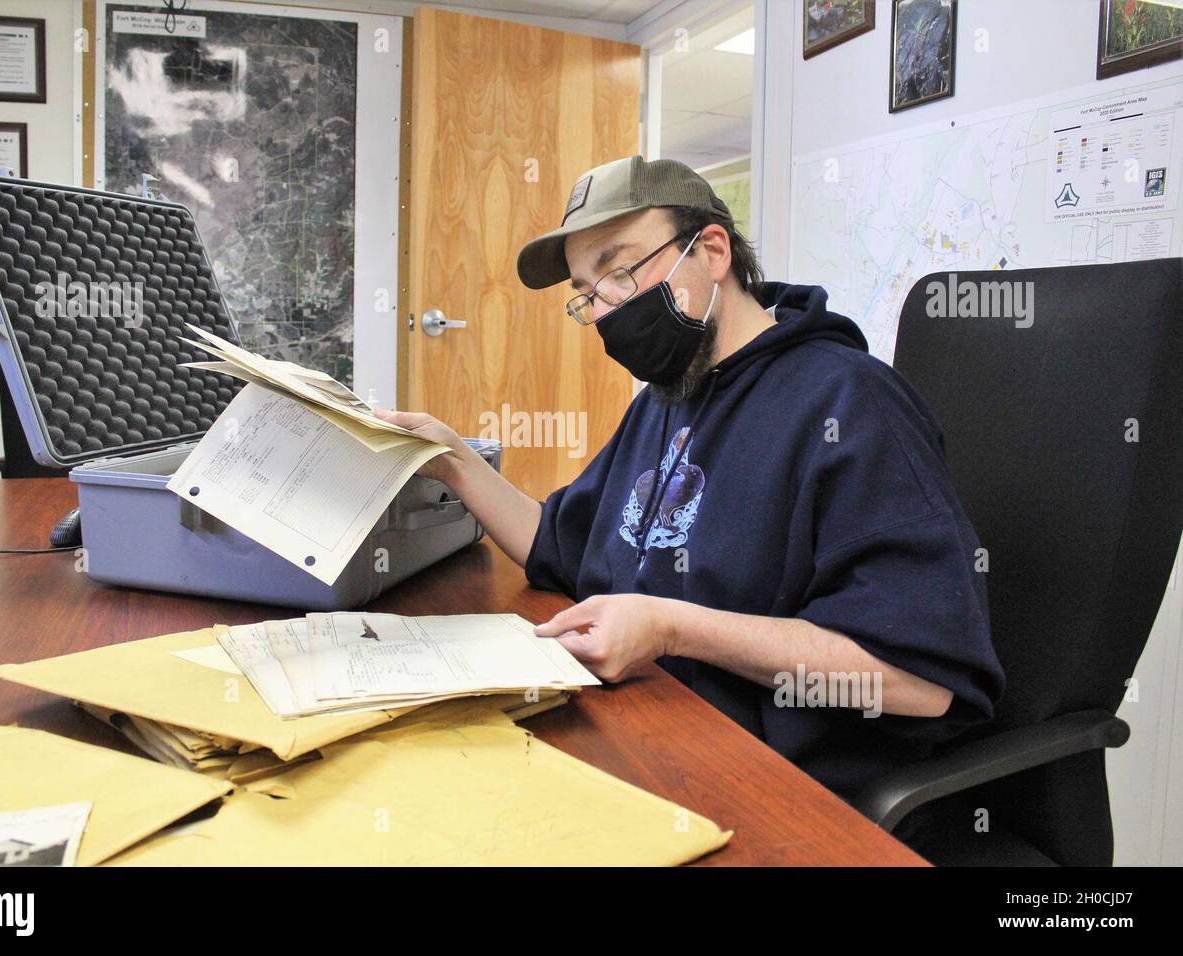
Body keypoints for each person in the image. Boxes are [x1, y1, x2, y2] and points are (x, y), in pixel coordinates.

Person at [375, 155, 1004, 799]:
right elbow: (557, 544)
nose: (608, 309)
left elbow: (917, 683)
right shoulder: (666, 398)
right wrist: (450, 457)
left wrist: (675, 627)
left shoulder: (849, 405)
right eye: (588, 296)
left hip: (770, 784)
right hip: (642, 732)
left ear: (711, 251)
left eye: (620, 272)